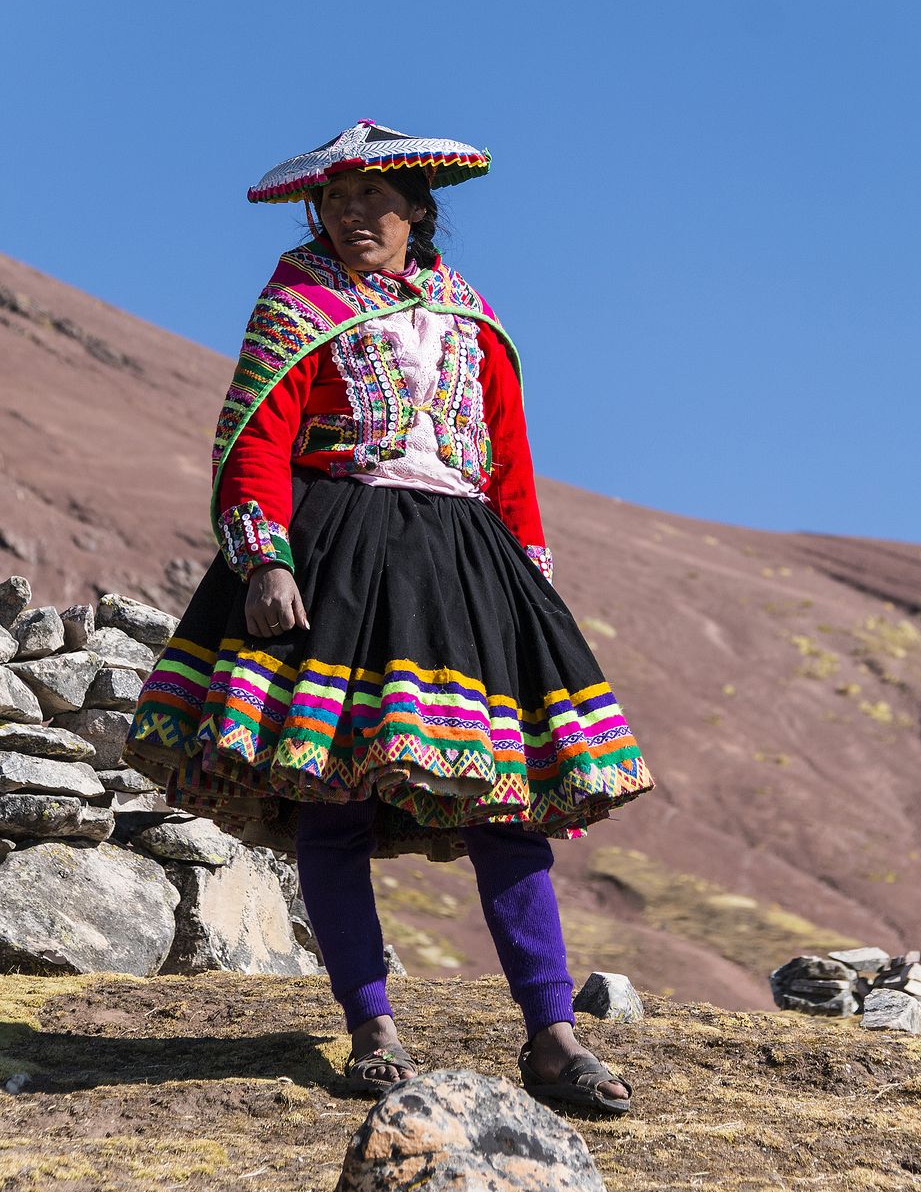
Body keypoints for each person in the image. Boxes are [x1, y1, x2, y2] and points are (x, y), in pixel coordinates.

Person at [127, 119, 654, 1116]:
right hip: (339, 554)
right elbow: (255, 443)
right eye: (336, 202)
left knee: (506, 805)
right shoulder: (297, 304)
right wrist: (264, 557)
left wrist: (529, 581)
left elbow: (509, 464)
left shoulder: (471, 315)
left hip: (466, 564)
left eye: (375, 201)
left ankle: (552, 1036)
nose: (354, 216)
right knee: (334, 797)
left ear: (418, 210)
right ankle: (370, 1024)